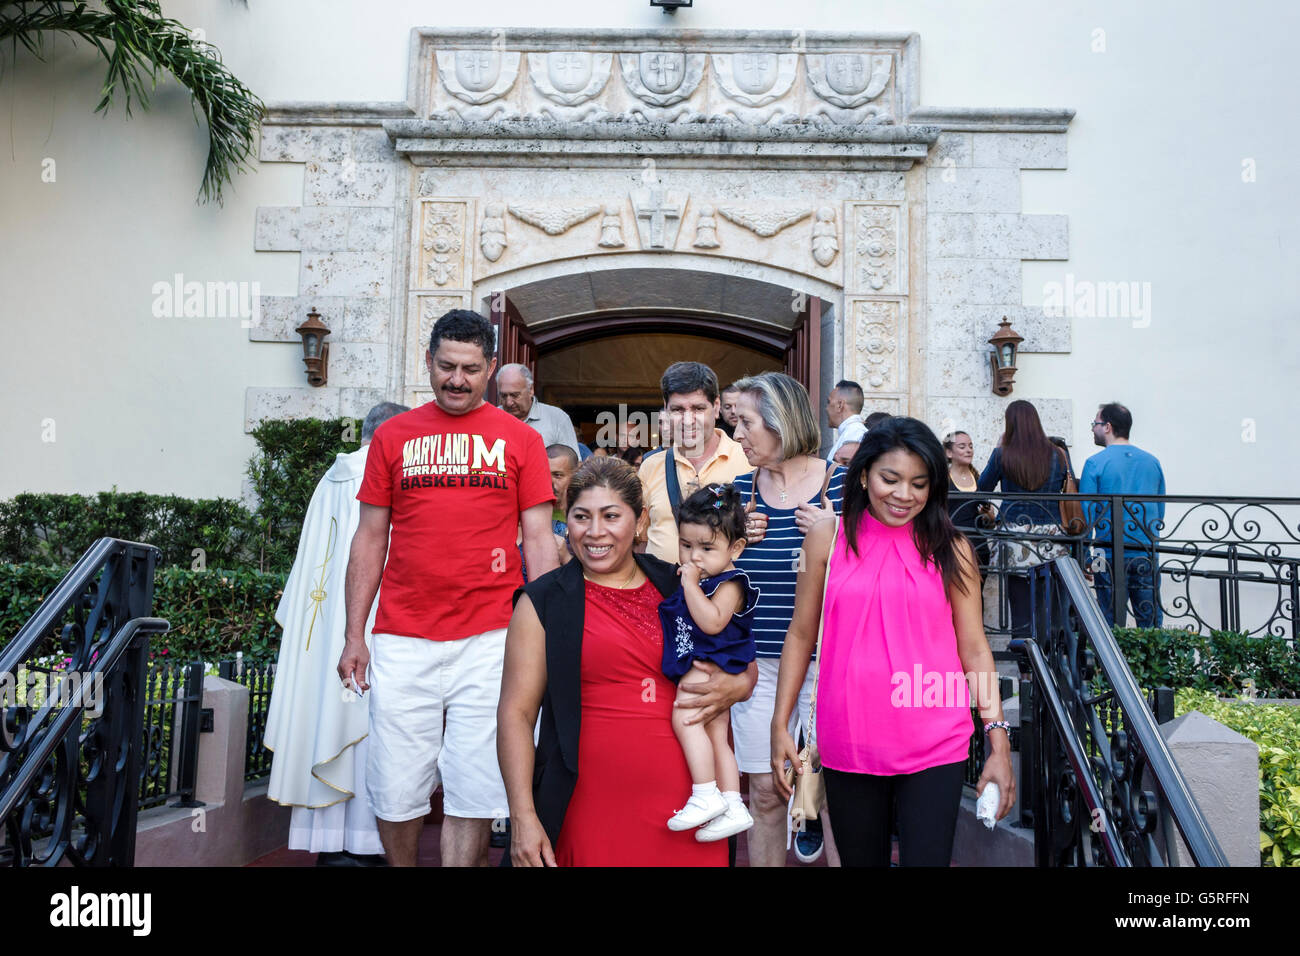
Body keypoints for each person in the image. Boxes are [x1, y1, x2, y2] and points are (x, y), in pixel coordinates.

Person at [337, 309, 559, 867]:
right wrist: (353, 635)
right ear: (428, 362)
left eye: (469, 368)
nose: (456, 379)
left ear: (489, 370)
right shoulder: (392, 437)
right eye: (445, 366)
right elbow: (369, 539)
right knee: (394, 783)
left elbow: (538, 540)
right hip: (402, 636)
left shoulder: (521, 441)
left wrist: (552, 631)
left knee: (476, 783)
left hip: (490, 640)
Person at [771, 417, 1015, 866]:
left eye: (919, 483)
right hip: (847, 734)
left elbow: (975, 648)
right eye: (891, 478)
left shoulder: (952, 546)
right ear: (863, 475)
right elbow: (801, 634)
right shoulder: (826, 537)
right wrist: (780, 723)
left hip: (936, 737)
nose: (905, 495)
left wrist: (997, 737)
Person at [497, 457, 759, 866]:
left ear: (639, 522)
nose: (595, 531)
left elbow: (738, 653)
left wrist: (740, 684)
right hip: (589, 805)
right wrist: (523, 816)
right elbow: (516, 713)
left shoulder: (678, 581)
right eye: (581, 517)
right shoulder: (543, 601)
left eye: (611, 516)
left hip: (691, 804)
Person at [265, 401, 407, 866]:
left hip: (328, 633)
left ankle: (331, 845)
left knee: (333, 715)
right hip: (376, 629)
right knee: (373, 732)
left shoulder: (332, 477)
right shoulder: (385, 474)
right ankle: (368, 843)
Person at [729, 371, 845, 867]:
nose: (737, 435)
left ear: (782, 423)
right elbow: (709, 578)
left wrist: (833, 530)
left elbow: (876, 567)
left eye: (746, 423)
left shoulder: (842, 485)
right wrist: (731, 544)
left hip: (829, 661)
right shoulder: (737, 492)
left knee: (838, 796)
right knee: (764, 791)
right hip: (759, 665)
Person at [660, 484, 759, 841]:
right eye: (686, 545)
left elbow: (713, 621)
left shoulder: (730, 582)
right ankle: (732, 804)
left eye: (706, 548)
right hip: (715, 664)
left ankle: (704, 794)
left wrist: (689, 585)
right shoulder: (706, 576)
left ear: (736, 548)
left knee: (685, 718)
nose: (693, 556)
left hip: (714, 665)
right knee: (717, 736)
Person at [977, 400, 1073, 639]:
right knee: (1048, 604)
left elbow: (981, 490)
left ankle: (1025, 667)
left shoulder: (1003, 454)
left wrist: (999, 449)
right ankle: (1050, 661)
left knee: (1019, 605)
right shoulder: (1058, 455)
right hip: (1050, 537)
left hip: (1014, 537)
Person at [638, 362, 750, 562]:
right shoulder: (649, 467)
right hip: (663, 590)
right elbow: (640, 540)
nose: (688, 420)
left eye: (698, 408)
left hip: (728, 590)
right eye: (678, 410)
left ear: (716, 408)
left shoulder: (749, 460)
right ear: (665, 409)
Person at [1080, 402, 1166, 627]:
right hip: (1146, 550)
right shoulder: (1152, 462)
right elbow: (1160, 512)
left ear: (1107, 427)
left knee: (1107, 618)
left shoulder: (1094, 463)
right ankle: (1150, 663)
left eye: (1095, 423)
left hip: (1103, 551)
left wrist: (1085, 556)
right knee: (1150, 620)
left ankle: (1108, 663)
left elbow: (1086, 513)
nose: (1092, 428)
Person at [497, 363, 580, 456]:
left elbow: (572, 465)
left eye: (515, 395)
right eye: (503, 396)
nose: (509, 402)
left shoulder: (557, 418)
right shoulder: (491, 419)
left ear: (531, 390)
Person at [943, 430, 992, 583]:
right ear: (949, 452)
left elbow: (990, 521)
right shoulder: (943, 479)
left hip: (979, 547)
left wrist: (988, 514)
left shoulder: (979, 479)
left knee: (978, 595)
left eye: (970, 446)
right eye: (962, 446)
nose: (969, 450)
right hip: (952, 546)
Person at [826, 380, 866, 462]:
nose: (826, 408)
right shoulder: (853, 432)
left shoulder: (855, 436)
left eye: (828, 402)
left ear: (840, 405)